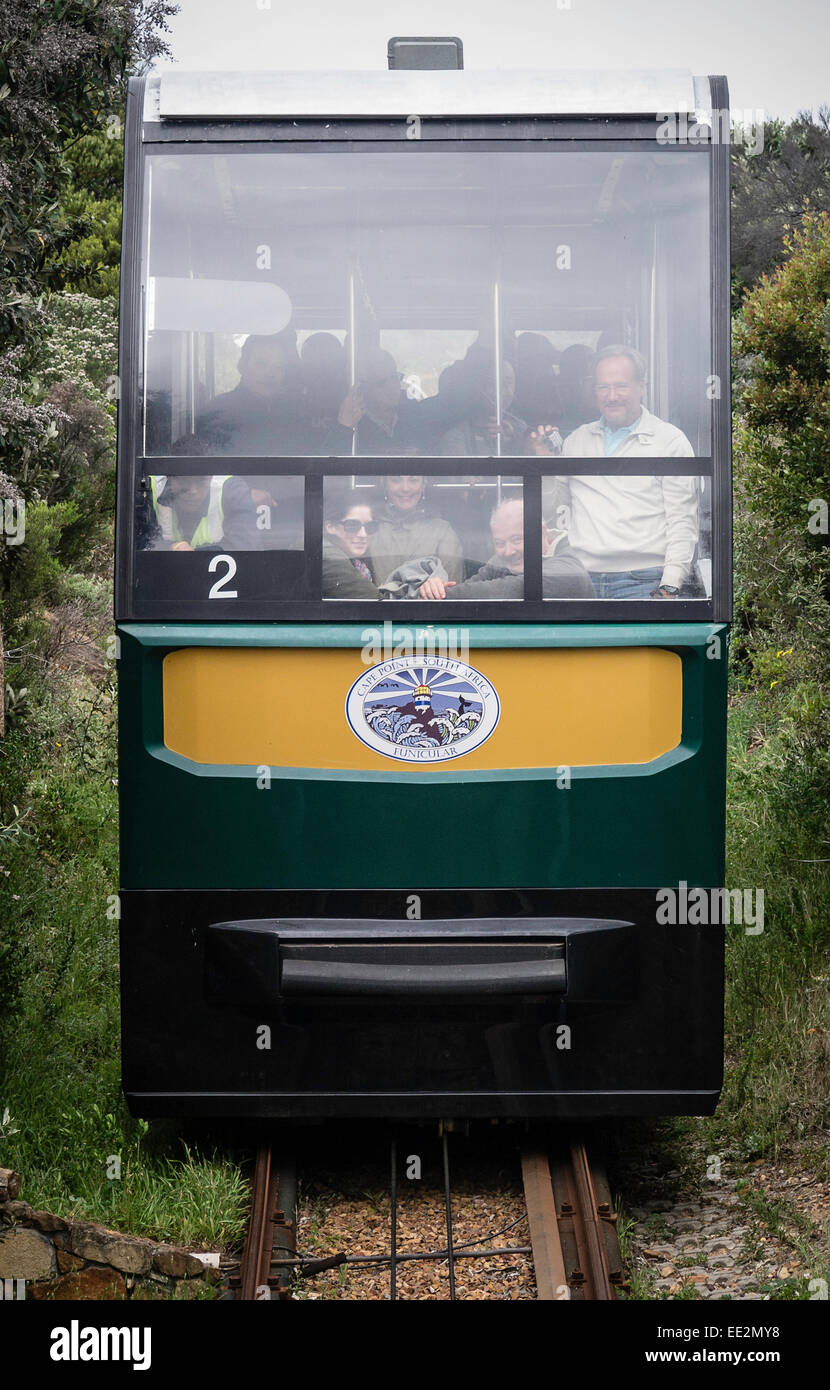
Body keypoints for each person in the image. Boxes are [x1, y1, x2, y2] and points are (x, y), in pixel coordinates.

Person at [554, 346, 699, 599]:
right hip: (579, 579)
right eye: (603, 387)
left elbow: (682, 521)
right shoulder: (576, 441)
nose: (612, 396)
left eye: (621, 386)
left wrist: (670, 586)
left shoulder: (670, 441)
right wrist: (542, 464)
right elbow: (554, 511)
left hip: (643, 580)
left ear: (642, 386)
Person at [417, 496, 594, 600]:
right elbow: (470, 588)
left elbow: (511, 589)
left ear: (541, 533)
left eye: (517, 539)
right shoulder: (500, 561)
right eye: (499, 543)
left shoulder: (568, 572)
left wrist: (446, 595)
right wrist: (435, 589)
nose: (508, 551)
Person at [197, 331, 310, 456]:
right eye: (261, 364)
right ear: (243, 366)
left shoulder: (297, 412)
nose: (270, 374)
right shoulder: (218, 411)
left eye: (279, 367)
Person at [326, 347, 427, 455]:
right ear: (361, 388)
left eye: (394, 377)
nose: (392, 386)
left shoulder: (416, 415)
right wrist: (344, 428)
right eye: (381, 382)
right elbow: (329, 467)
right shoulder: (349, 423)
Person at [369, 475, 464, 587]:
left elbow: (451, 587)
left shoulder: (442, 530)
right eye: (396, 480)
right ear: (384, 484)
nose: (405, 488)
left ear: (424, 484)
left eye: (413, 480)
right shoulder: (368, 527)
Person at [438, 348, 527, 456]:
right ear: (479, 389)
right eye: (492, 383)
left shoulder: (521, 431)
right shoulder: (456, 437)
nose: (503, 391)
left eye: (508, 382)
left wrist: (512, 443)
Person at [147, 473, 260, 551]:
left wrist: (193, 554)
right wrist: (171, 547)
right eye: (184, 480)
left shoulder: (231, 490)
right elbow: (137, 543)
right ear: (169, 478)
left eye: (201, 480)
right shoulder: (148, 489)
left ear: (211, 477)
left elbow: (246, 547)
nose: (193, 491)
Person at [322, 489, 380, 599]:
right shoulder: (328, 558)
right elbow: (374, 600)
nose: (363, 534)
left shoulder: (359, 562)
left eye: (370, 526)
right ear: (330, 527)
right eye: (352, 525)